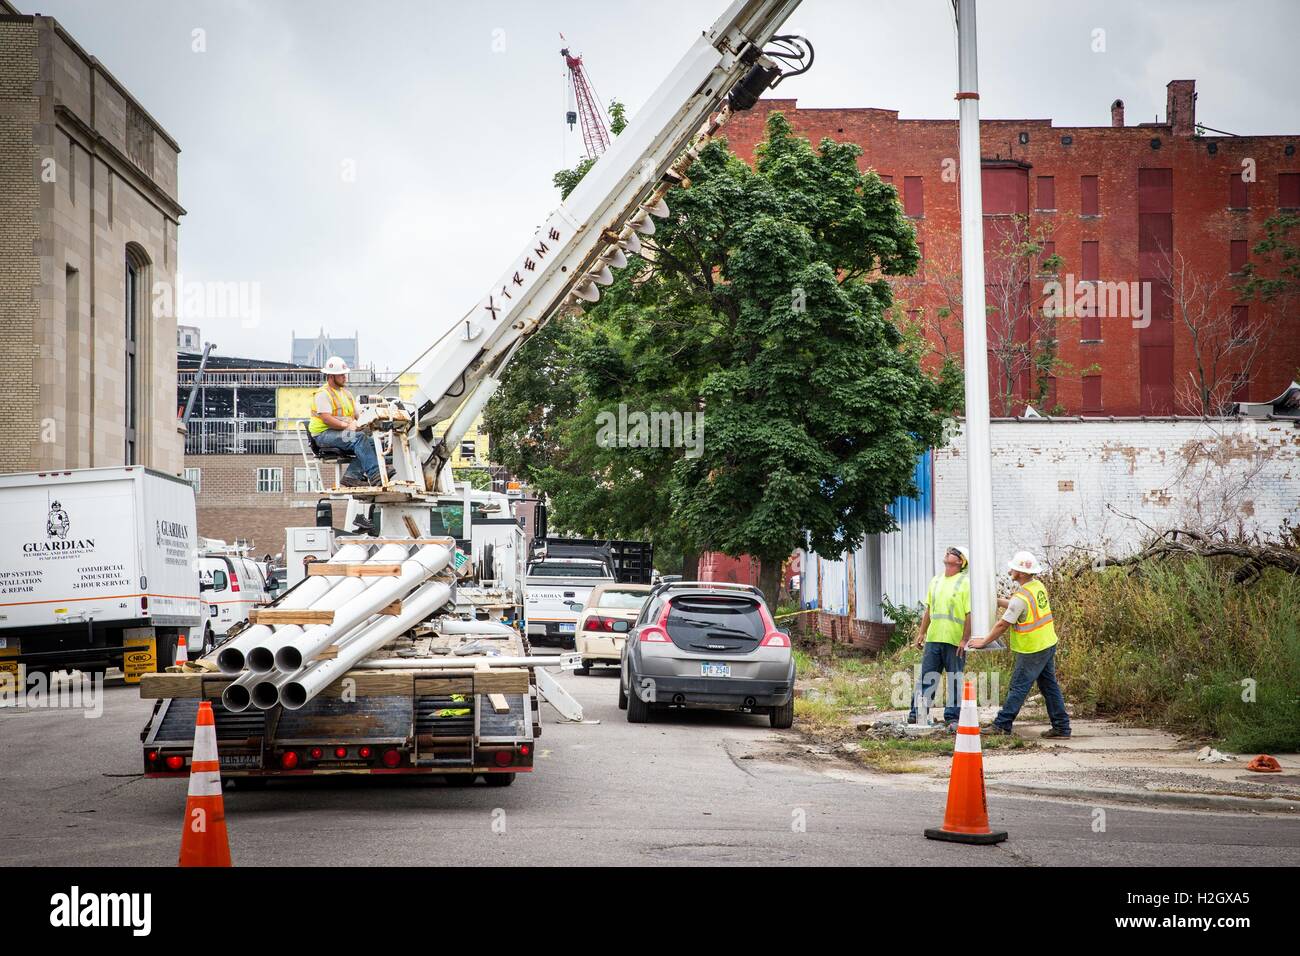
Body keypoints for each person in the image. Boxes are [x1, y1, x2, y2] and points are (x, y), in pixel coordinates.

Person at [967, 550, 1071, 739]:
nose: (1010, 570)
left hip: (1032, 648)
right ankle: (1062, 727)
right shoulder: (1037, 586)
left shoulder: (1020, 597)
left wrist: (983, 641)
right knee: (1049, 686)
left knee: (1018, 686)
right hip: (1047, 642)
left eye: (1014, 568)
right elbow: (1020, 606)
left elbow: (1002, 624)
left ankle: (1002, 724)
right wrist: (997, 601)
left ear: (1021, 573)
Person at [908, 546, 971, 732]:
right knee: (927, 677)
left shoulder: (965, 583)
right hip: (934, 638)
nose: (948, 554)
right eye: (947, 552)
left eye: (953, 553)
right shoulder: (935, 581)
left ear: (961, 561)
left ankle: (953, 717)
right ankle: (917, 713)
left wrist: (964, 640)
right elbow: (929, 610)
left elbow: (969, 614)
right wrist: (921, 633)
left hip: (954, 641)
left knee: (954, 679)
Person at [307, 356, 380, 488]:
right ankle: (375, 474)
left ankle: (352, 477)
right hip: (324, 435)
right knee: (359, 438)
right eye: (341, 375)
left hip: (339, 432)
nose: (344, 377)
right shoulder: (322, 394)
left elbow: (358, 415)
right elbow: (326, 419)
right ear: (330, 376)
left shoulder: (347, 394)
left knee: (375, 442)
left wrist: (371, 420)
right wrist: (347, 426)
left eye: (344, 374)